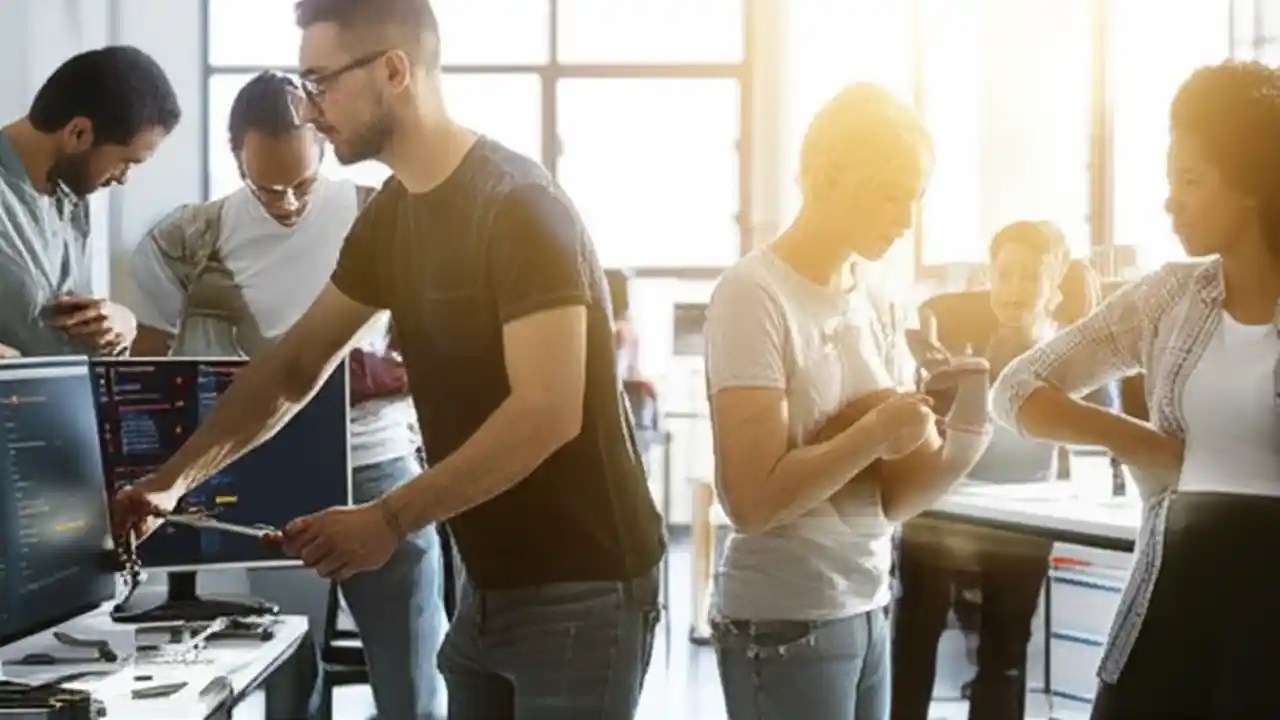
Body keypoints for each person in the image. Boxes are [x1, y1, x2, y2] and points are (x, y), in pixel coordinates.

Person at [111, 1, 665, 718]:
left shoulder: (520, 207)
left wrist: (389, 518)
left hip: (582, 586)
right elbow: (292, 367)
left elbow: (546, 411)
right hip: (487, 585)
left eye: (320, 83)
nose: (308, 113)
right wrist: (169, 483)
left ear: (394, 71)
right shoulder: (394, 217)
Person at [128, 72, 446, 720]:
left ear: (325, 144)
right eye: (268, 187)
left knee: (413, 683)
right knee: (285, 680)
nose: (290, 204)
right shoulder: (187, 242)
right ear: (234, 153)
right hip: (264, 474)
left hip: (376, 465)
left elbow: (434, 345)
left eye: (303, 184)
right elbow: (157, 367)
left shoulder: (378, 214)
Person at [991, 60, 1280, 718]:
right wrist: (1136, 442)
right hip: (1168, 606)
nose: (1170, 201)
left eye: (1190, 180)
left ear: (1253, 186)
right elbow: (1016, 389)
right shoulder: (1167, 299)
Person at [703, 83, 993, 720]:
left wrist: (966, 431)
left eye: (916, 198)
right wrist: (876, 431)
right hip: (786, 619)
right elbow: (751, 502)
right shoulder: (754, 295)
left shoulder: (880, 297)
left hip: (865, 605)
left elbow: (891, 498)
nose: (907, 219)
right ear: (828, 177)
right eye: (893, 194)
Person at [892, 221, 1076, 720]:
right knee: (912, 635)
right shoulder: (962, 350)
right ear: (989, 278)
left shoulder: (1069, 355)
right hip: (950, 508)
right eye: (1004, 274)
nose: (1014, 289)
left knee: (1004, 653)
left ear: (1055, 286)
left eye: (1030, 276)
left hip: (1020, 520)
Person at [0, 46, 179, 357]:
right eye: (126, 162)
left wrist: (122, 325)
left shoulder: (71, 200)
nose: (123, 178)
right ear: (78, 133)